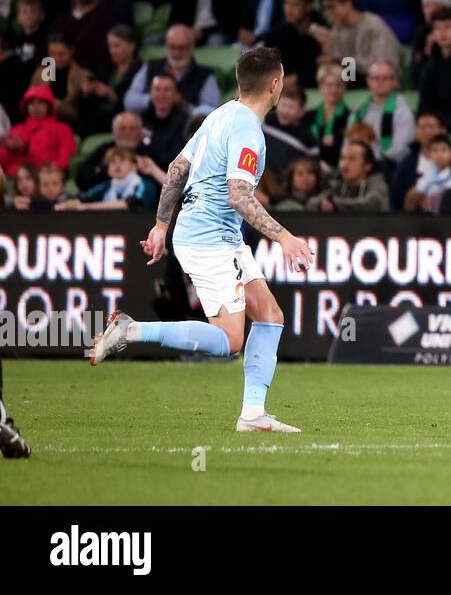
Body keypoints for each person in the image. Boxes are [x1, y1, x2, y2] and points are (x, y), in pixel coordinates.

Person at [89, 48, 313, 433]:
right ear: (275, 85)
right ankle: (132, 330)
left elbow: (178, 168)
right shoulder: (246, 130)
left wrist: (161, 226)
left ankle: (253, 415)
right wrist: (285, 237)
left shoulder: (220, 114)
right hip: (211, 240)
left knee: (271, 317)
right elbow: (239, 195)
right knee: (230, 340)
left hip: (210, 235)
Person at [349, 60, 416, 164]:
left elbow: (400, 150)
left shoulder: (403, 112)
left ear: (394, 81)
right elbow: (347, 144)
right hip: (360, 167)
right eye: (376, 78)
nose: (380, 82)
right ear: (368, 81)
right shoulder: (358, 113)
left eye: (386, 78)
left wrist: (373, 158)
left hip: (391, 167)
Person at [309, 139, 391, 214]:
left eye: (352, 159)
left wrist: (336, 204)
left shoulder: (377, 182)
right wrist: (321, 204)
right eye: (342, 158)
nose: (344, 165)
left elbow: (373, 204)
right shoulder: (342, 184)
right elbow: (312, 202)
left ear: (368, 165)